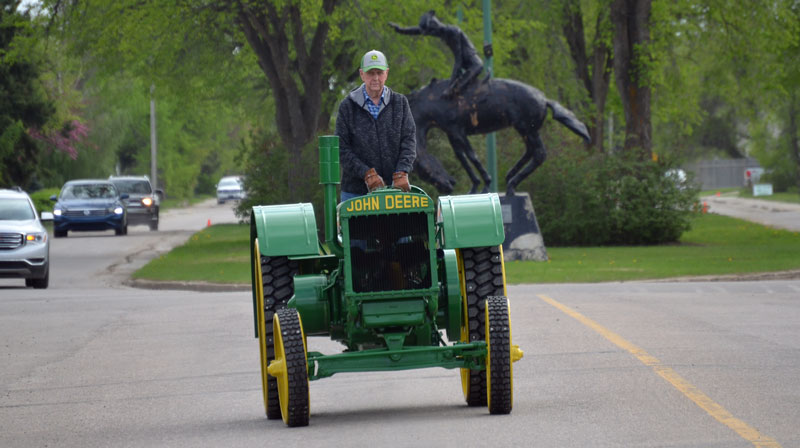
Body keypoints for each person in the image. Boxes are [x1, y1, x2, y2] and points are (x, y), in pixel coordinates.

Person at [335, 50, 416, 201]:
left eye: (379, 72)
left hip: (395, 192)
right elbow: (342, 148)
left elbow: (409, 141)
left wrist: (402, 171)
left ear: (387, 73)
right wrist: (366, 174)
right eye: (370, 73)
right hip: (355, 193)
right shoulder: (347, 106)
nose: (375, 78)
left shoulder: (400, 103)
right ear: (361, 74)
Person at [390, 11, 484, 98]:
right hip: (465, 65)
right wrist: (400, 29)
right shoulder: (441, 32)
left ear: (433, 25)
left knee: (457, 89)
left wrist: (450, 87)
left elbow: (458, 60)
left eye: (430, 31)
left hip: (474, 65)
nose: (430, 33)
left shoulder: (454, 32)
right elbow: (417, 30)